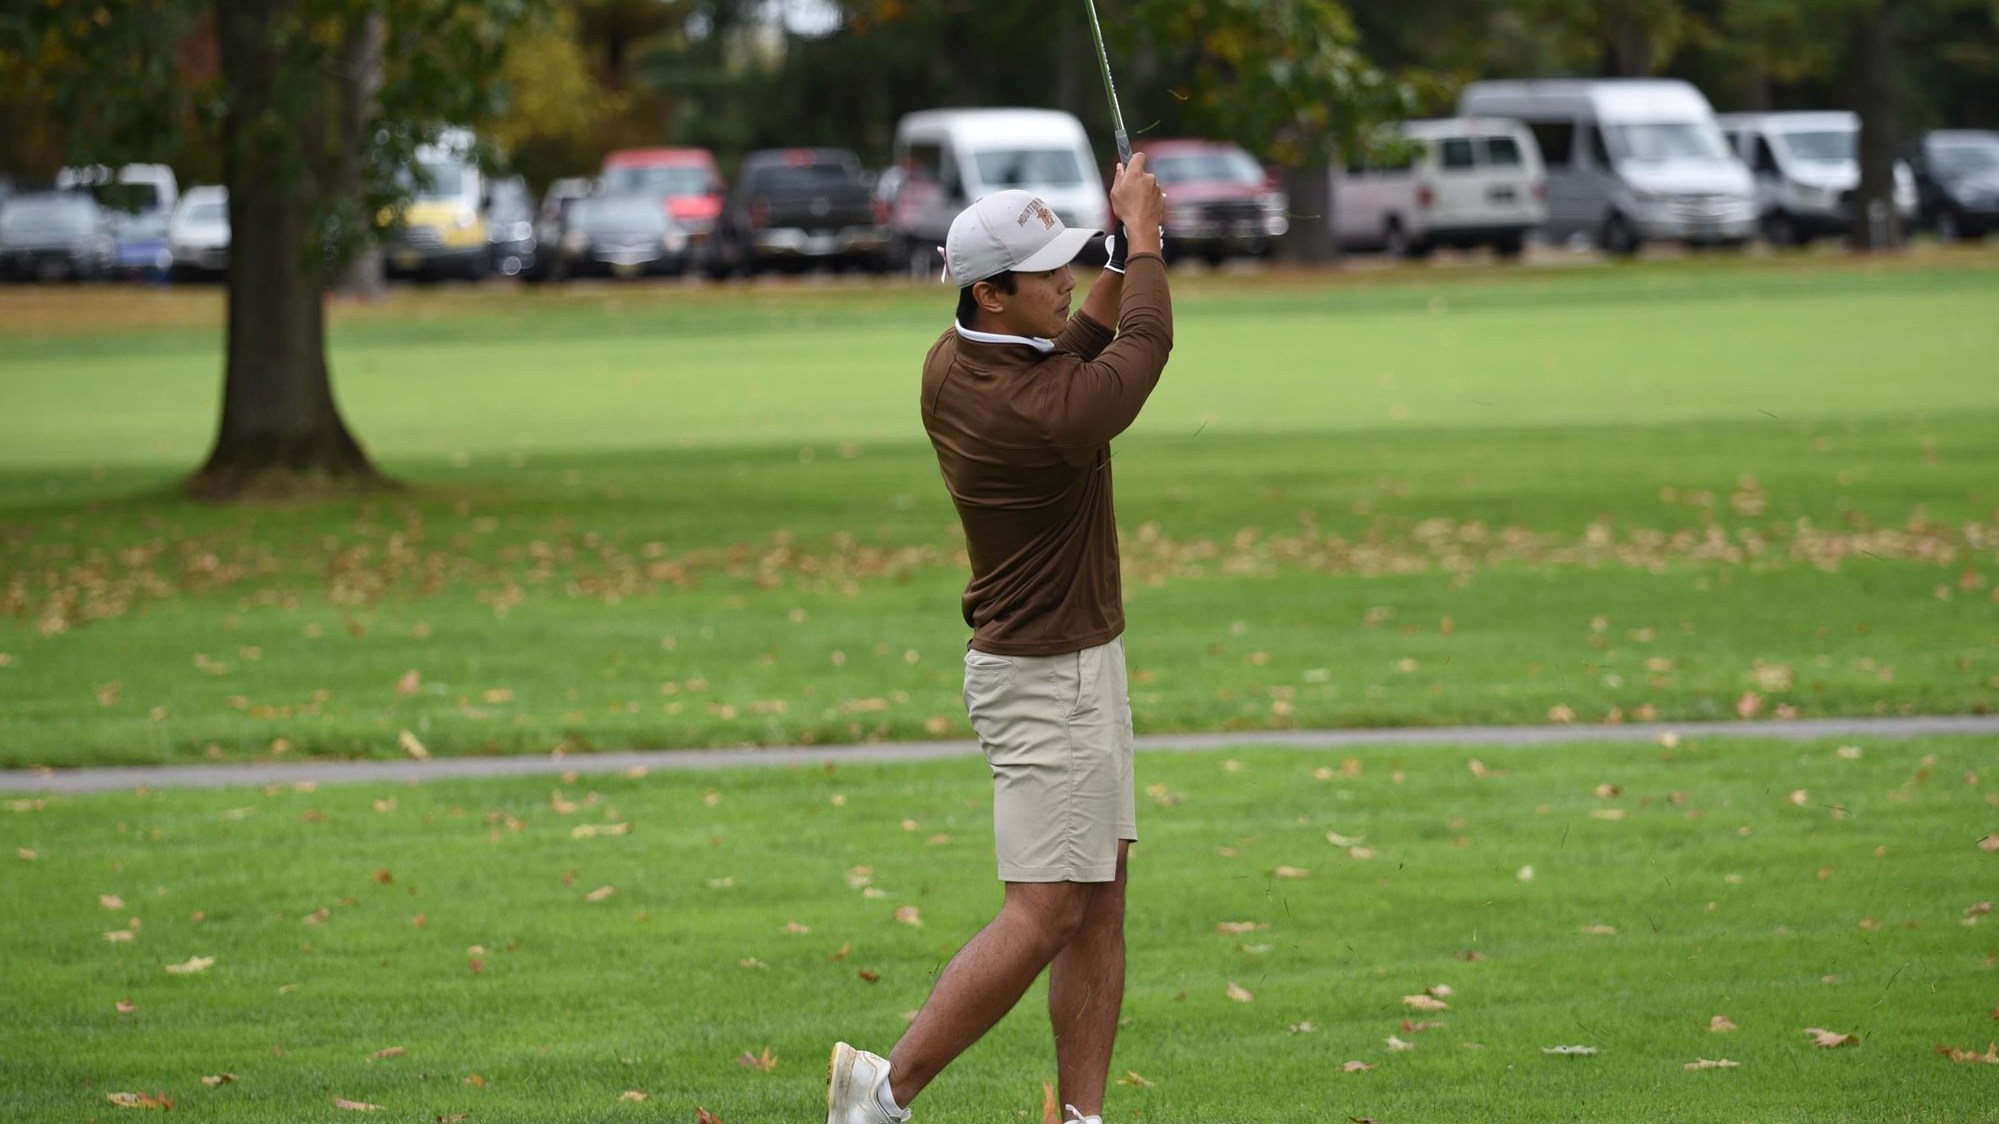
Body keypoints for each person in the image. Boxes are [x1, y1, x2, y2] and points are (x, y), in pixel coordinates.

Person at [826, 155, 1171, 1124]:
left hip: (1069, 664)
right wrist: (1144, 244)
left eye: (1069, 263)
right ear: (990, 291)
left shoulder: (955, 360)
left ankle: (1081, 1117)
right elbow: (1138, 352)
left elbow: (1074, 342)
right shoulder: (1039, 410)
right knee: (1047, 907)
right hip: (1047, 677)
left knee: (1097, 896)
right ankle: (879, 1094)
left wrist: (1121, 258)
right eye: (1046, 273)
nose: (1066, 282)